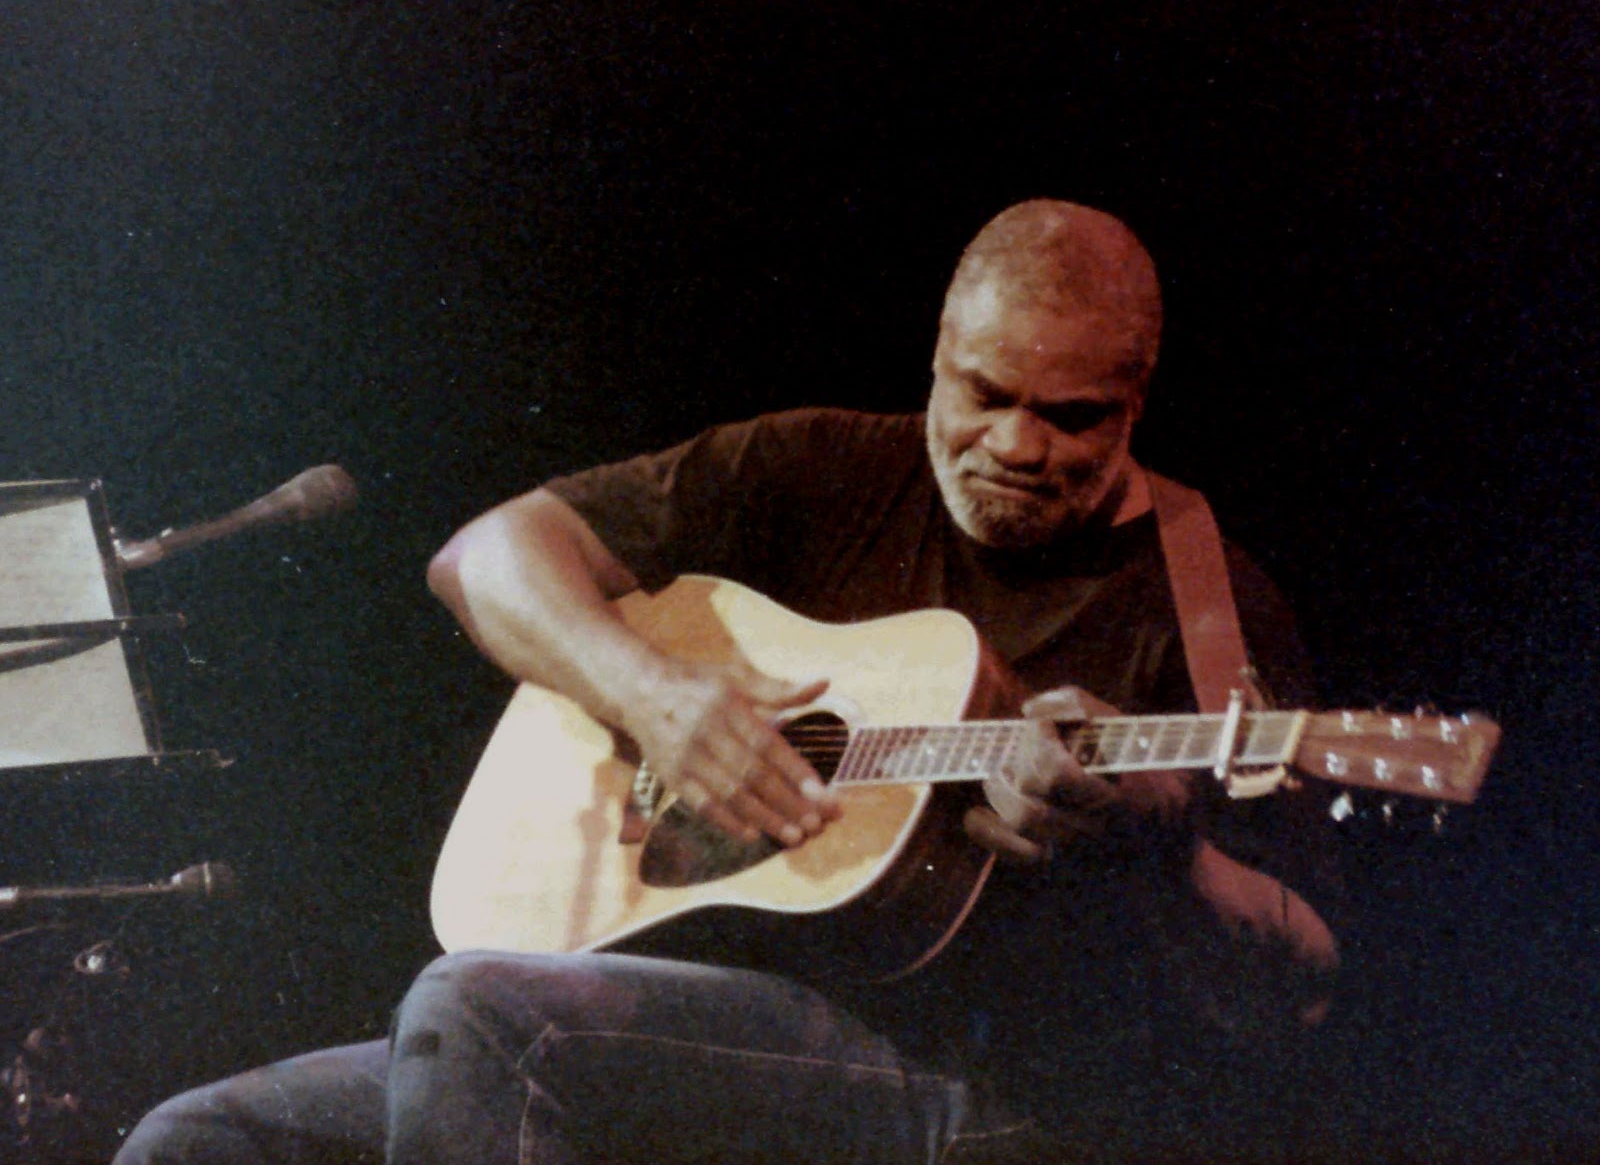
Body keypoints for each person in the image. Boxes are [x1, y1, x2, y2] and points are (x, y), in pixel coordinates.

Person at [115, 199, 1341, 1165]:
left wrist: (1159, 850)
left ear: (1136, 402)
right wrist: (654, 695)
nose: (1017, 445)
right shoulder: (821, 467)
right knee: (199, 1139)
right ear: (937, 359)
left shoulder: (1201, 595)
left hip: (978, 1090)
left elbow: (1300, 986)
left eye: (1071, 416)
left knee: (488, 1013)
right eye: (983, 395)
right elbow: (484, 555)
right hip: (688, 1017)